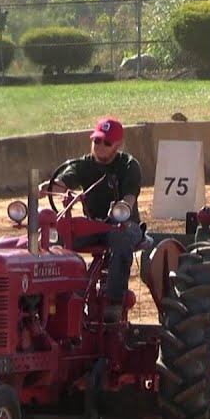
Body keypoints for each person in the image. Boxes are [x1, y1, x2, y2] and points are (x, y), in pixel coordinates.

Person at [49, 116, 143, 322]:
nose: (100, 146)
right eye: (97, 141)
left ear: (119, 145)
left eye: (107, 143)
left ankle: (114, 302)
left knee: (122, 237)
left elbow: (129, 196)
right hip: (92, 227)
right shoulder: (83, 165)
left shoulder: (128, 165)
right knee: (53, 238)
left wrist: (124, 208)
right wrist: (48, 187)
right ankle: (57, 297)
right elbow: (63, 181)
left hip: (124, 225)